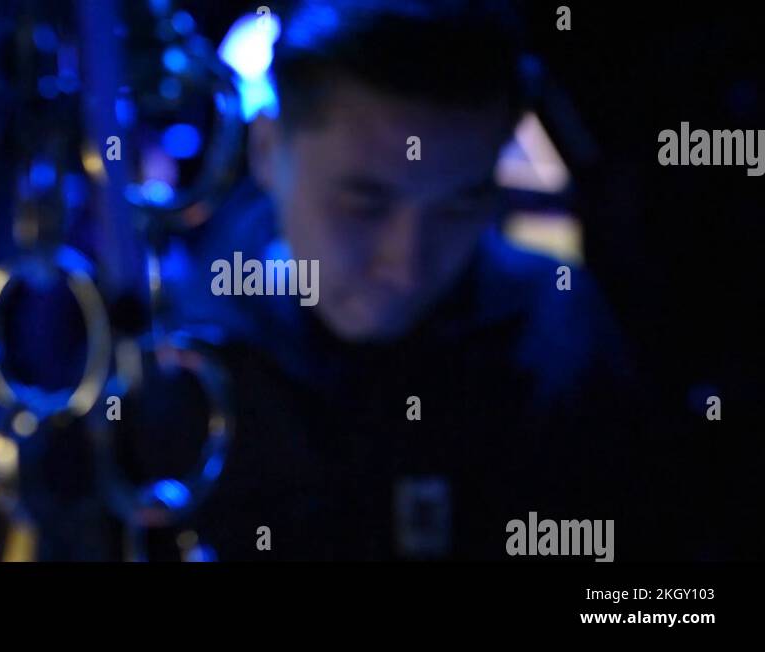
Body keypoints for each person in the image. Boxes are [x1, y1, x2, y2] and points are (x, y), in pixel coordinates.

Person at [139, 0, 652, 561]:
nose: (406, 268)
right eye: (365, 205)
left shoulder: (563, 331)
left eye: (459, 206)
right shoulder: (170, 356)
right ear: (266, 149)